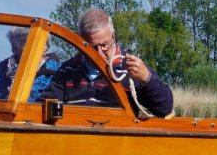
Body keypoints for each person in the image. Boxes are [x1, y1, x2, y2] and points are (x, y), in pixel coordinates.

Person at [41, 8, 173, 117]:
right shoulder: (67, 69)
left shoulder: (131, 67)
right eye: (91, 47)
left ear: (113, 36)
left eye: (104, 45)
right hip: (75, 138)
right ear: (80, 42)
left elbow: (164, 109)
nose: (99, 53)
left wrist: (146, 78)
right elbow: (43, 107)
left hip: (118, 139)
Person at [0, 27, 57, 101]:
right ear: (16, 46)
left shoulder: (55, 70)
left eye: (45, 43)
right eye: (33, 43)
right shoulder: (4, 67)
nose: (43, 48)